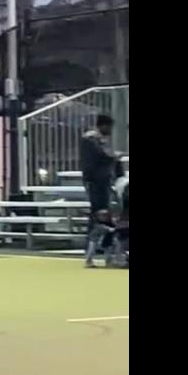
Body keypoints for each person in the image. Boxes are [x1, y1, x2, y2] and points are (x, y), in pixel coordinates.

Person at [79, 113, 125, 269]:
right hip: (96, 182)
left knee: (104, 217)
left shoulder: (98, 140)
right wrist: (114, 156)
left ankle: (102, 251)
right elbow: (101, 157)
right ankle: (92, 250)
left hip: (102, 181)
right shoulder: (91, 139)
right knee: (99, 216)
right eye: (110, 127)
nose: (111, 131)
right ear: (103, 126)